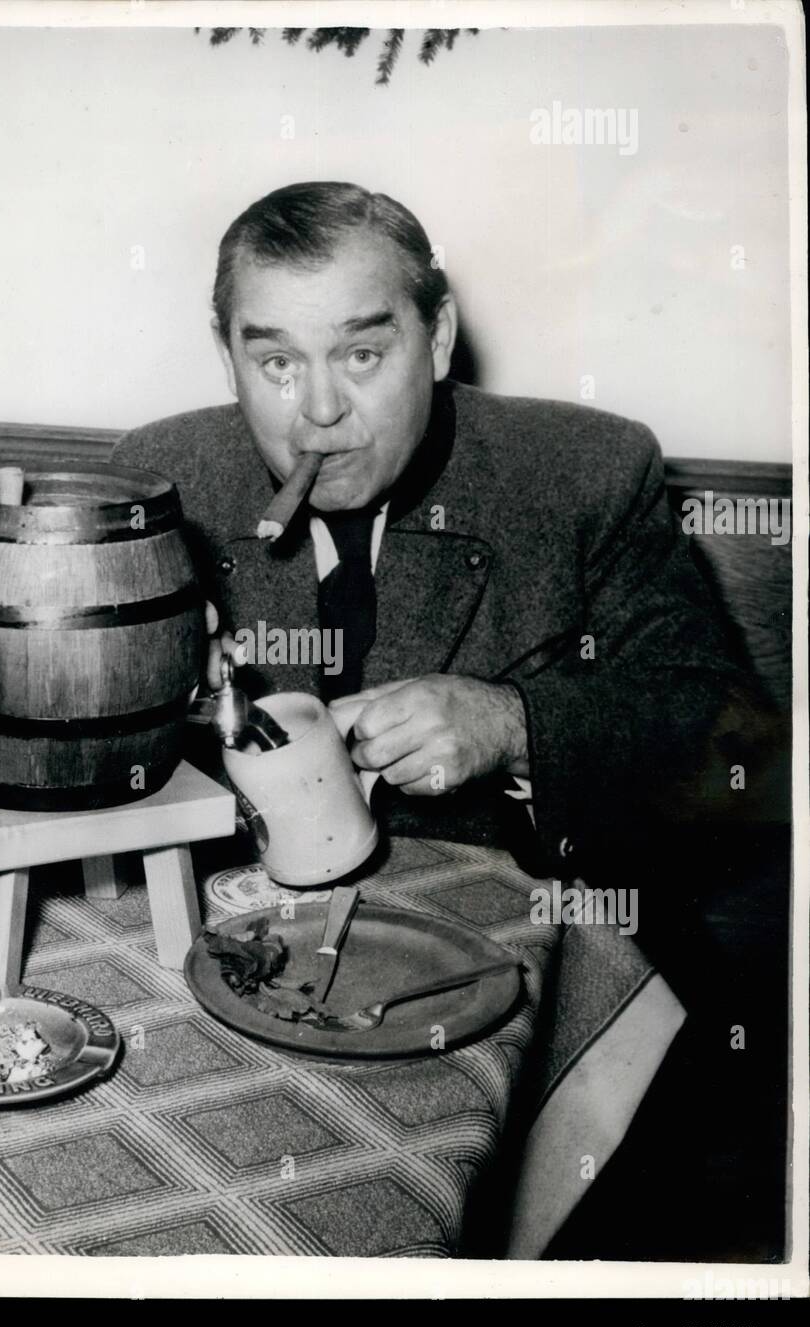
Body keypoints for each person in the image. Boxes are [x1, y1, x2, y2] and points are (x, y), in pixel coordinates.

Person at [110, 181, 758, 887]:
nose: (320, 411)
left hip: (522, 913)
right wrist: (156, 690)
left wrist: (513, 726)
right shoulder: (158, 484)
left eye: (362, 354)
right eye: (279, 364)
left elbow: (731, 747)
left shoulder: (586, 471)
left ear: (438, 338)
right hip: (238, 913)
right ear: (226, 355)